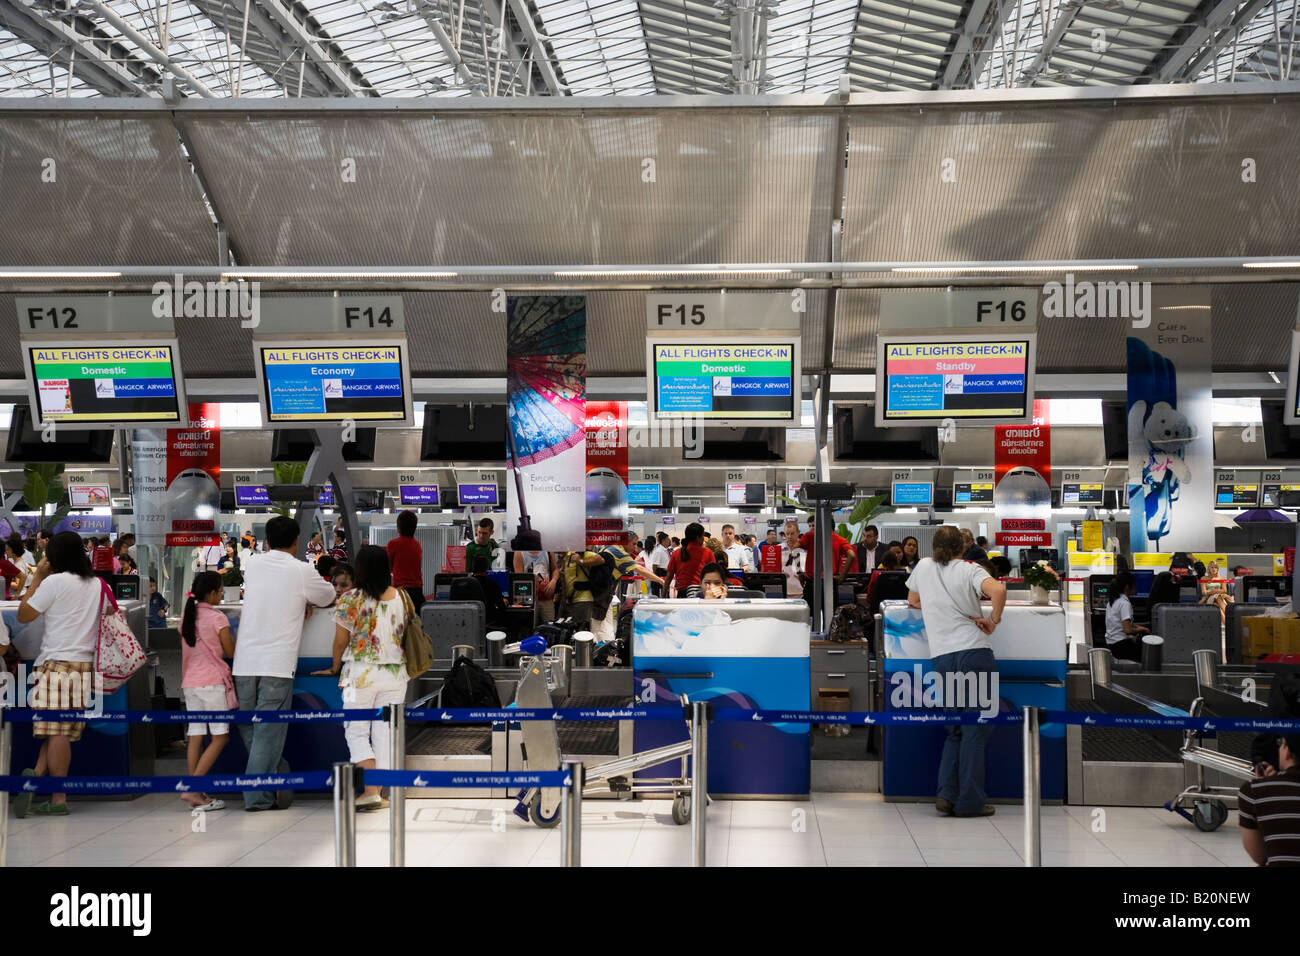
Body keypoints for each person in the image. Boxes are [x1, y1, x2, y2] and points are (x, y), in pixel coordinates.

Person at [231, 515, 335, 812]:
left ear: (266, 541)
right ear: (296, 541)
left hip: (245, 660)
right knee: (267, 731)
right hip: (277, 662)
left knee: (248, 727)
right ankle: (265, 785)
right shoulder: (301, 570)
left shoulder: (254, 564)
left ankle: (271, 779)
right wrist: (304, 600)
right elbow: (328, 596)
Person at [906, 525, 1007, 818]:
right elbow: (998, 589)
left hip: (943, 657)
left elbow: (913, 600)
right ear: (961, 548)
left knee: (955, 731)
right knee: (975, 730)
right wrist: (993, 620)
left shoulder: (923, 566)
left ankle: (946, 795)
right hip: (974, 653)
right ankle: (970, 802)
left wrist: (939, 605)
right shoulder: (970, 568)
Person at [311, 545, 412, 812]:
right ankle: (378, 791)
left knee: (356, 730)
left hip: (360, 676)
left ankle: (370, 792)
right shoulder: (401, 596)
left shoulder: (351, 598)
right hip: (395, 675)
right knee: (385, 732)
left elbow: (340, 641)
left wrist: (334, 668)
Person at [12, 531, 105, 817]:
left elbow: (24, 614)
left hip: (57, 663)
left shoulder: (54, 582)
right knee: (60, 731)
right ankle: (37, 776)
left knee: (56, 732)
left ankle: (57, 799)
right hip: (84, 666)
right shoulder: (96, 584)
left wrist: (37, 577)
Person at [178, 570, 235, 812]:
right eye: (220, 591)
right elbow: (230, 651)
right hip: (212, 683)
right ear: (212, 593)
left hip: (190, 683)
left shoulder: (185, 617)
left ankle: (197, 794)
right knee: (220, 737)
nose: (221, 595)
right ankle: (192, 789)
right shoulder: (218, 618)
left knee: (196, 737)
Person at [1238, 731, 1300, 866]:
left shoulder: (1253, 791)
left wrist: (1266, 788)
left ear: (1287, 751)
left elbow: (1259, 856)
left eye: (1281, 744)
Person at [1104, 571, 1148, 662]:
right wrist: (1144, 630)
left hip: (1112, 644)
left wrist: (1136, 627)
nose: (1136, 587)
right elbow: (1127, 630)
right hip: (1122, 646)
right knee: (1146, 656)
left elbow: (1120, 624)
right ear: (1127, 587)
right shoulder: (1124, 604)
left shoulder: (1113, 601)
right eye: (1134, 585)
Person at [387, 510, 425, 612]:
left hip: (401, 591)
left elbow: (388, 567)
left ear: (398, 527)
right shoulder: (417, 545)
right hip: (417, 591)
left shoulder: (393, 544)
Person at [665, 523, 710, 597]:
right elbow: (713, 575)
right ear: (698, 537)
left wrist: (663, 595)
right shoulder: (707, 553)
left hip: (682, 595)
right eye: (702, 536)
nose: (703, 538)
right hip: (702, 593)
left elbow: (669, 577)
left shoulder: (676, 553)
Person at [866, 549, 910, 615]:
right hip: (901, 613)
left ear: (883, 565)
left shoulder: (879, 577)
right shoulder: (903, 577)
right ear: (896, 563)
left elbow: (869, 598)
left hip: (881, 614)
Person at [781, 525, 805, 599]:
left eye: (792, 533)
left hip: (802, 591)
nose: (789, 536)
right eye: (787, 534)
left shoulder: (806, 548)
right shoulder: (778, 548)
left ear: (798, 532)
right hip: (783, 591)